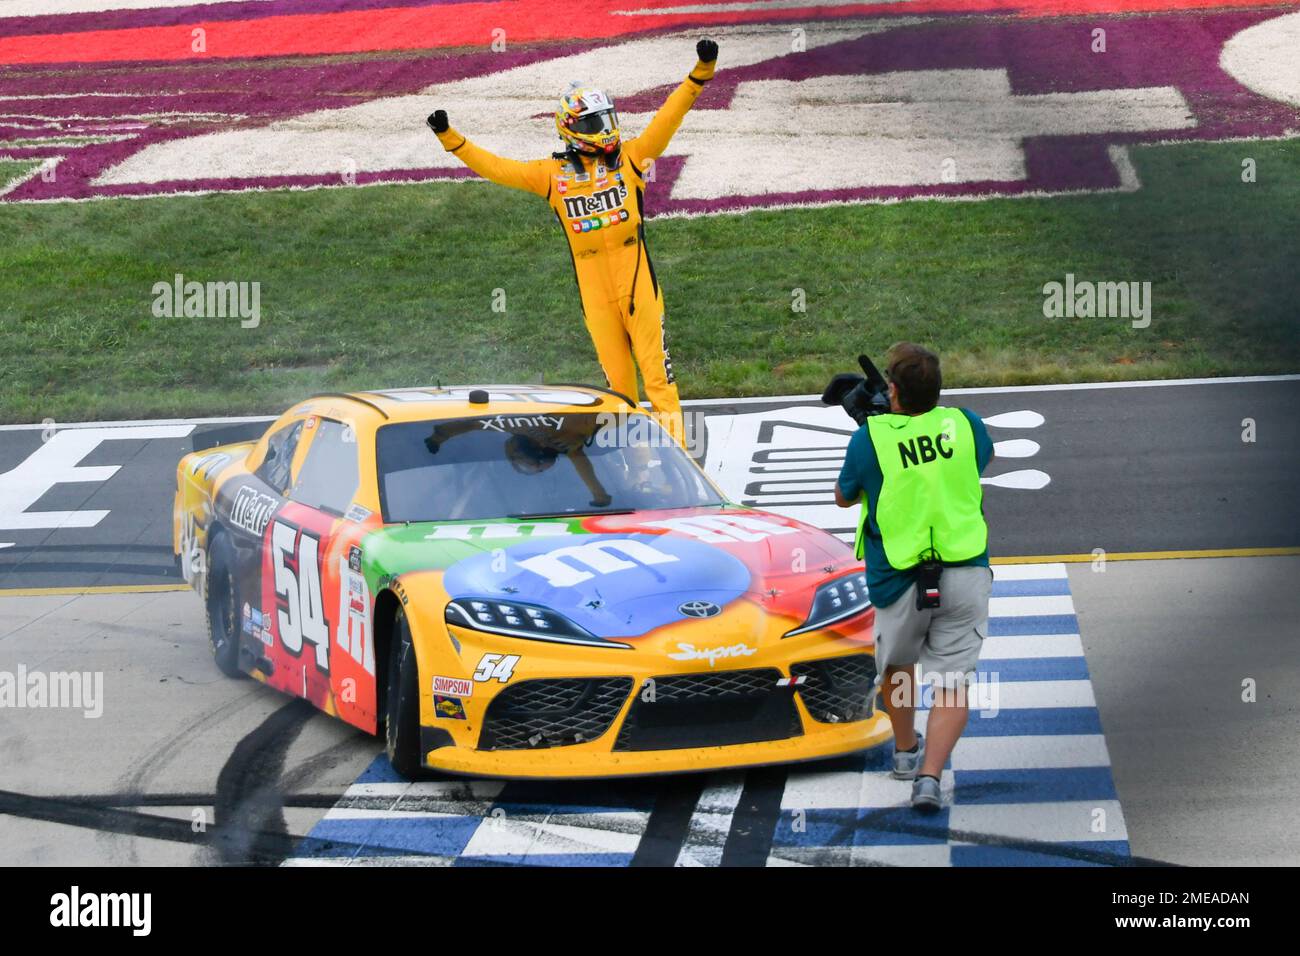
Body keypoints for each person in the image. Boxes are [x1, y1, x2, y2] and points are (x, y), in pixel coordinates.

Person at [426, 39, 720, 448]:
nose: (604, 130)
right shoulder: (551, 175)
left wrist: (701, 72)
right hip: (595, 296)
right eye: (593, 124)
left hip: (638, 289)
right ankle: (630, 470)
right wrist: (450, 137)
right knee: (618, 392)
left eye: (606, 119)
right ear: (570, 128)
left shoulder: (634, 158)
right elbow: (497, 168)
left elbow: (669, 117)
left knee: (658, 380)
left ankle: (681, 460)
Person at [834, 342, 995, 811]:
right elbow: (973, 462)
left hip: (897, 576)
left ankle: (905, 752)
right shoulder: (967, 425)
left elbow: (844, 497)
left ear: (894, 389)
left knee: (899, 667)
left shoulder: (871, 438)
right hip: (964, 570)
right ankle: (929, 778)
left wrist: (874, 426)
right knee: (952, 684)